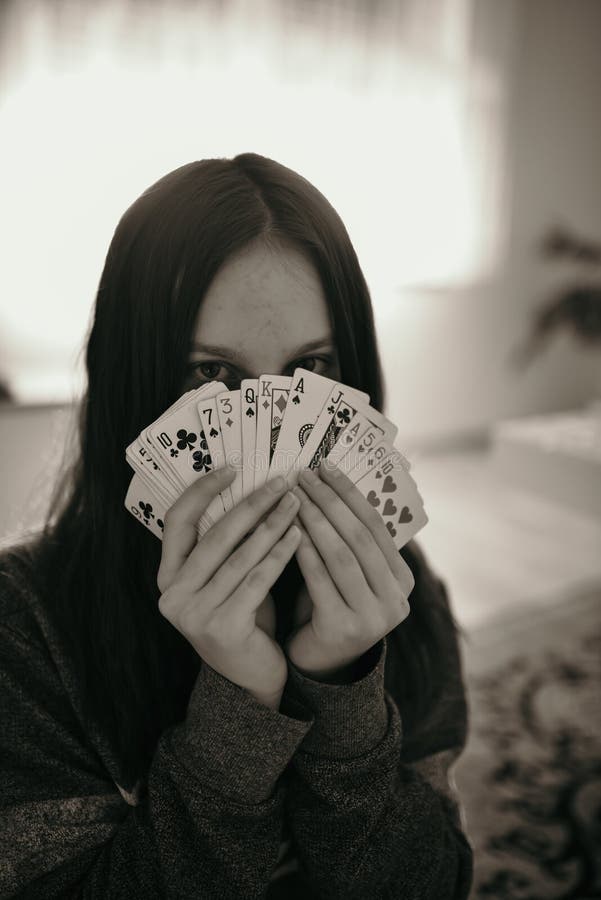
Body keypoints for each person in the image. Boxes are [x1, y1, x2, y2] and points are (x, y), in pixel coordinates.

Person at [0, 153, 473, 898]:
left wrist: (342, 687)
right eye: (210, 375)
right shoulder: (22, 623)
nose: (270, 422)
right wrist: (237, 702)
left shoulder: (407, 602)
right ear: (131, 381)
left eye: (311, 367)